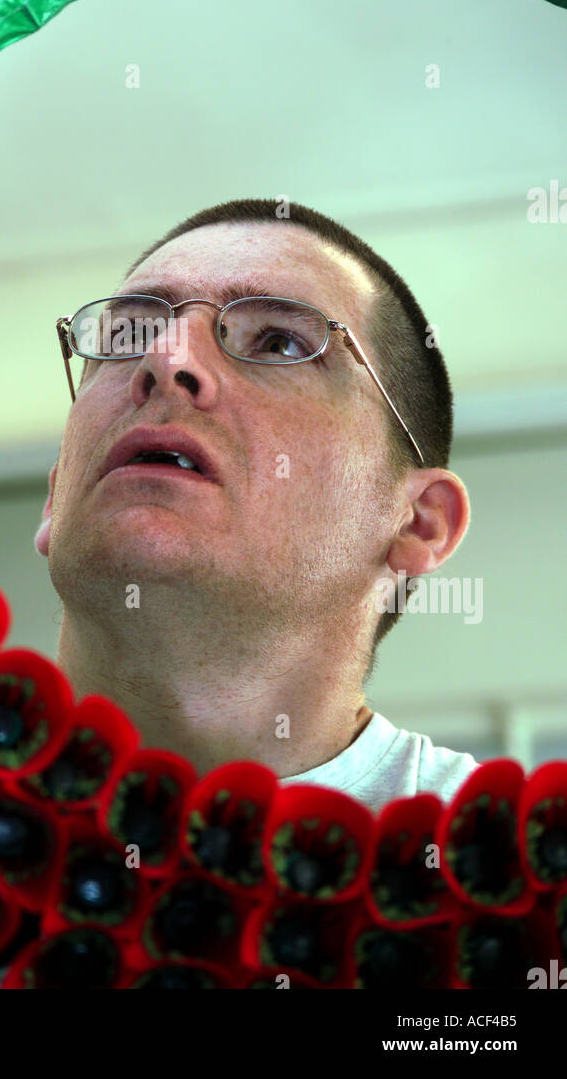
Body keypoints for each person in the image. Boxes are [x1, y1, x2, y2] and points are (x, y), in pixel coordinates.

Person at [34, 197, 480, 808]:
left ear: (418, 522)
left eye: (278, 342)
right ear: (55, 499)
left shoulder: (519, 867)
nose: (165, 361)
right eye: (128, 335)